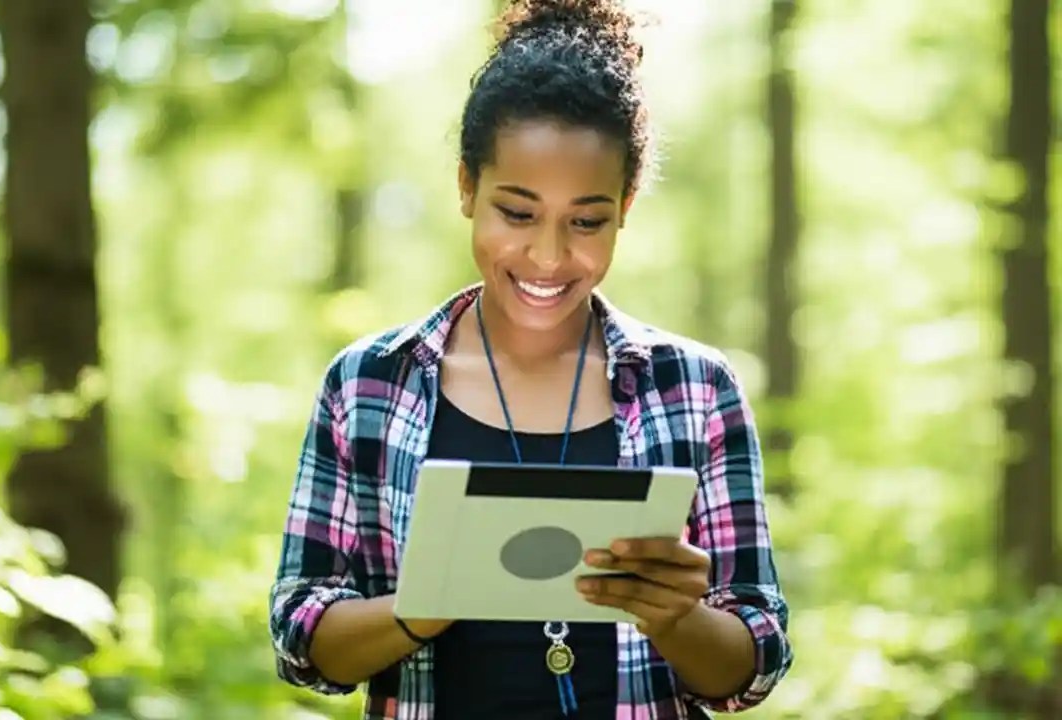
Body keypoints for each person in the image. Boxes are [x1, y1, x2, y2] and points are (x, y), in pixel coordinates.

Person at [268, 0, 793, 717]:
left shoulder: (696, 389)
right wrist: (421, 605)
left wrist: (676, 618)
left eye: (587, 220)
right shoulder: (369, 384)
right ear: (466, 187)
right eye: (517, 212)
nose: (548, 255)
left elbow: (753, 664)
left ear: (625, 207)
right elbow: (302, 638)